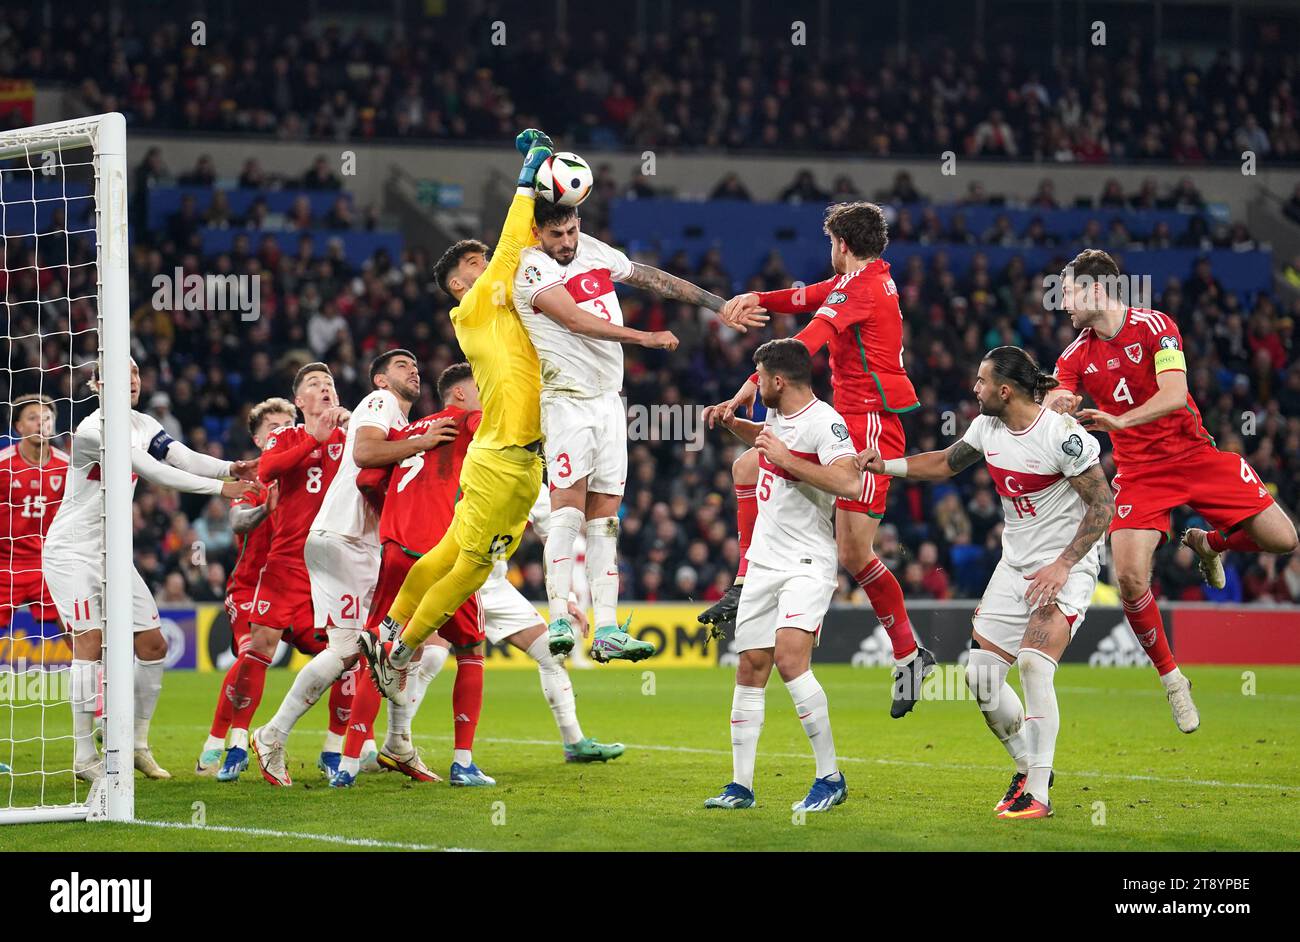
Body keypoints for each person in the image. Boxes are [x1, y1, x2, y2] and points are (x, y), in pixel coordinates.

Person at [365, 130, 677, 699]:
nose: (489, 263)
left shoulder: (506, 302)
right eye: (475, 263)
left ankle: (386, 631)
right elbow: (514, 242)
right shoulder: (476, 306)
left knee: (451, 556)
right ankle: (401, 648)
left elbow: (532, 263)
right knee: (469, 569)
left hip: (526, 450)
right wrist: (531, 170)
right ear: (460, 282)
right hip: (503, 456)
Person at [1046, 249, 1298, 733]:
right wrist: (1056, 403)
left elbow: (1175, 395)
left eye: (1071, 292)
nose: (1064, 304)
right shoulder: (1075, 354)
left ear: (1097, 290)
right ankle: (1173, 681)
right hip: (1141, 473)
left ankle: (1210, 542)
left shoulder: (1155, 326)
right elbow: (1062, 392)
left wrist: (1119, 420)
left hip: (1195, 456)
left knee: (1284, 539)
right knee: (1131, 578)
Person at [860, 347, 1114, 819]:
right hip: (1014, 567)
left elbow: (1103, 507)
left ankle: (1039, 794)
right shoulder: (986, 428)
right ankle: (1026, 767)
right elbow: (944, 463)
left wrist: (1062, 566)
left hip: (1065, 568)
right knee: (979, 676)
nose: (973, 389)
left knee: (1035, 667)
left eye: (980, 381)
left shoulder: (1062, 436)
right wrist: (885, 465)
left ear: (1004, 390)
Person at [340, 365, 623, 787]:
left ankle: (360, 757)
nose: (491, 395)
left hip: (408, 551)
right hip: (460, 562)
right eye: (481, 387)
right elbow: (549, 511)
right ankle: (449, 758)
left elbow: (367, 474)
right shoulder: (480, 428)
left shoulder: (411, 432)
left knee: (405, 650)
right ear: (458, 393)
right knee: (458, 652)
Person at [710, 201, 936, 719]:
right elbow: (801, 297)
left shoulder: (860, 288)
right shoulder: (866, 278)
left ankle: (908, 653)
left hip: (871, 421)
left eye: (830, 241)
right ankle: (746, 577)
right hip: (838, 415)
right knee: (748, 467)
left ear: (841, 244)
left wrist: (750, 383)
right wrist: (754, 297)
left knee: (855, 553)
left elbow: (806, 341)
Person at [44, 360, 258, 783]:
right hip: (72, 551)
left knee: (154, 645)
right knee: (90, 641)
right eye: (124, 375)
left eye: (138, 374)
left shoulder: (142, 423)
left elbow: (182, 457)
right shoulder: (92, 429)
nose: (134, 381)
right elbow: (154, 471)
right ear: (99, 383)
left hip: (112, 555)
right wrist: (220, 489)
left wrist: (229, 467)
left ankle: (137, 744)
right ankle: (84, 755)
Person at [511, 198, 703, 662]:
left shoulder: (593, 250)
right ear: (537, 232)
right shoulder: (531, 269)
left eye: (572, 231)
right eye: (557, 235)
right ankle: (558, 615)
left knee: (606, 518)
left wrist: (719, 305)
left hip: (608, 403)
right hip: (566, 402)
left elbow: (651, 278)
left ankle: (609, 628)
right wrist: (645, 338)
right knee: (567, 512)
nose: (567, 242)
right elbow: (574, 319)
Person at [702, 339, 863, 813]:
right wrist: (738, 426)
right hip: (766, 563)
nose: (754, 387)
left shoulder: (825, 422)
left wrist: (787, 460)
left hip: (807, 562)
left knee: (792, 660)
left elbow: (849, 481)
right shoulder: (778, 416)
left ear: (778, 381)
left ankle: (830, 777)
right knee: (752, 664)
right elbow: (771, 443)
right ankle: (740, 786)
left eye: (758, 378)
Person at [223, 363, 349, 784]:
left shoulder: (352, 433)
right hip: (289, 561)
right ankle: (238, 740)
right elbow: (270, 469)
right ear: (300, 401)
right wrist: (313, 438)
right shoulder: (287, 435)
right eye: (314, 384)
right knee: (260, 646)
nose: (325, 389)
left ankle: (335, 749)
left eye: (329, 383)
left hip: (337, 564)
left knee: (348, 654)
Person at [195, 397, 293, 776]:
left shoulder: (311, 476)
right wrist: (263, 511)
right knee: (252, 656)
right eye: (273, 428)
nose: (282, 432)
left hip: (300, 586)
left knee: (347, 652)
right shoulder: (254, 481)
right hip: (251, 587)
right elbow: (237, 520)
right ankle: (227, 740)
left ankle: (346, 748)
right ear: (257, 439)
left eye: (288, 425)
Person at [1, 395, 68, 635]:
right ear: (18, 427)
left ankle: (93, 673)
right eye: (32, 418)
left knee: (74, 627)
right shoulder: (3, 464)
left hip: (48, 564)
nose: (41, 423)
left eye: (47, 418)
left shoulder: (67, 466)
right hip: (4, 564)